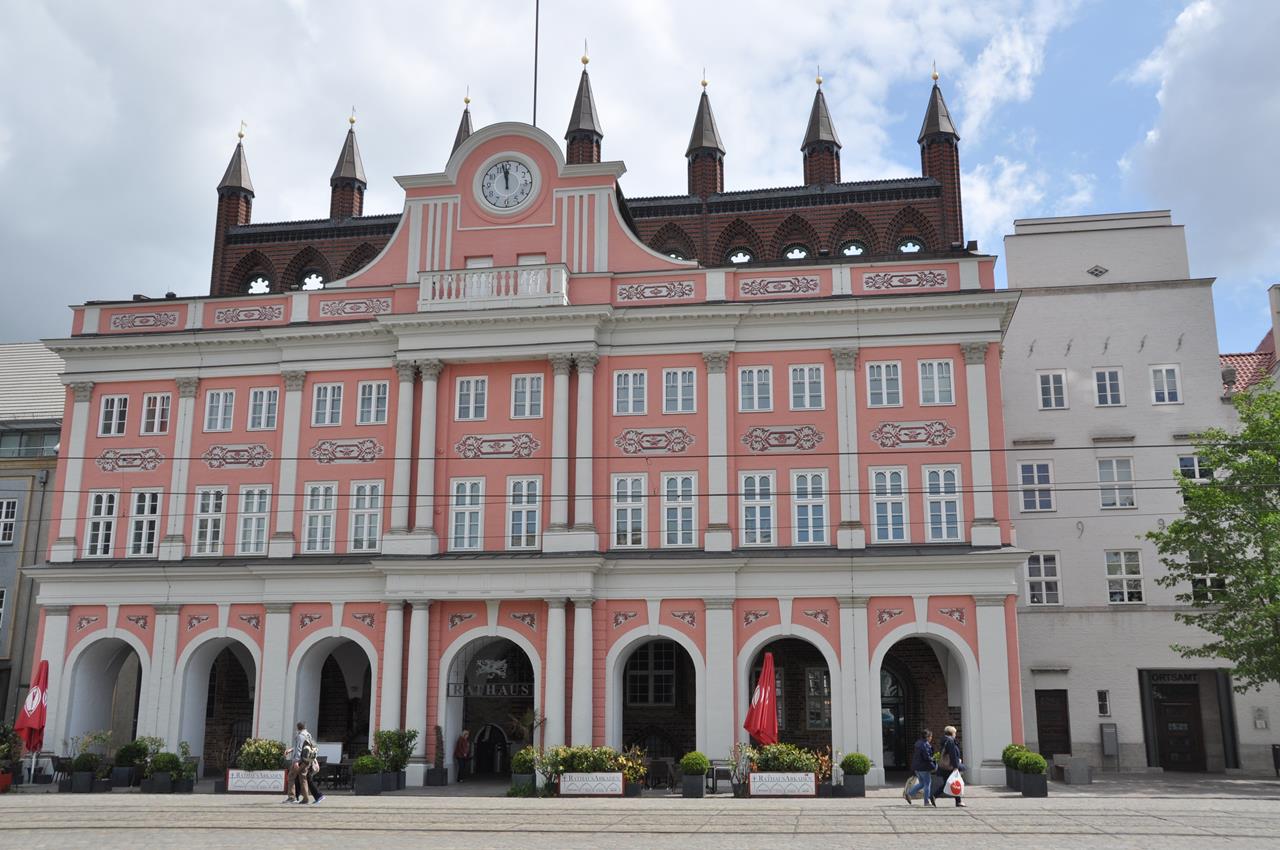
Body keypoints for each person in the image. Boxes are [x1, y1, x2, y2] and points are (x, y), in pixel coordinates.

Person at [284, 721, 314, 804]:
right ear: (305, 727)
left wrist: (296, 761)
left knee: (291, 776)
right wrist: (291, 750)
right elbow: (304, 746)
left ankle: (291, 797)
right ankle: (306, 799)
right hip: (306, 760)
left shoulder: (300, 736)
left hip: (299, 761)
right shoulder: (308, 735)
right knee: (303, 778)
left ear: (297, 727)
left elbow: (299, 748)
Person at [904, 729, 936, 807]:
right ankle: (926, 802)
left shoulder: (918, 743)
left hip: (917, 767)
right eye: (931, 736)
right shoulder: (925, 744)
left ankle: (909, 793)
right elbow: (926, 757)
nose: (931, 738)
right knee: (927, 784)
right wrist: (933, 759)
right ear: (927, 737)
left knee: (922, 783)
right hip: (924, 767)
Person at [938, 725, 965, 808]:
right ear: (952, 733)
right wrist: (955, 766)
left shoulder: (945, 740)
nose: (955, 734)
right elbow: (952, 754)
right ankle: (934, 796)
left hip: (947, 766)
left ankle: (958, 801)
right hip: (950, 766)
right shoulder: (950, 741)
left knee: (952, 782)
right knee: (954, 782)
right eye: (955, 733)